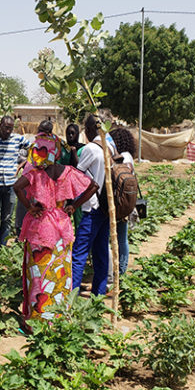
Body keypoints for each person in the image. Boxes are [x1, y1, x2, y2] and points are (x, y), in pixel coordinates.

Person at [13, 133, 98, 322]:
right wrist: (73, 206)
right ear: (58, 153)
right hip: (61, 226)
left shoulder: (35, 173)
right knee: (60, 272)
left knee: (38, 273)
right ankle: (58, 316)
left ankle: (38, 318)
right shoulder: (68, 172)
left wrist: (29, 207)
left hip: (40, 227)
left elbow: (16, 186)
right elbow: (93, 185)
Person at [71, 114, 115, 296]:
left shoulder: (90, 149)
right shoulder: (110, 147)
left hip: (92, 208)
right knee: (101, 253)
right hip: (107, 208)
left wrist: (72, 203)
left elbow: (78, 177)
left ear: (88, 130)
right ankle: (98, 295)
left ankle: (69, 298)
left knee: (78, 255)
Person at [0, 115, 32, 247]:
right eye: (5, 128)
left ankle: (2, 247)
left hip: (11, 185)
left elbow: (33, 148)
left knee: (7, 218)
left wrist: (23, 164)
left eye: (10, 128)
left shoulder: (18, 139)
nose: (8, 131)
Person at [109, 126, 139, 276]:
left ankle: (119, 270)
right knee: (121, 237)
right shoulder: (128, 156)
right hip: (124, 200)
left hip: (120, 201)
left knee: (119, 238)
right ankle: (120, 269)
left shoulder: (123, 156)